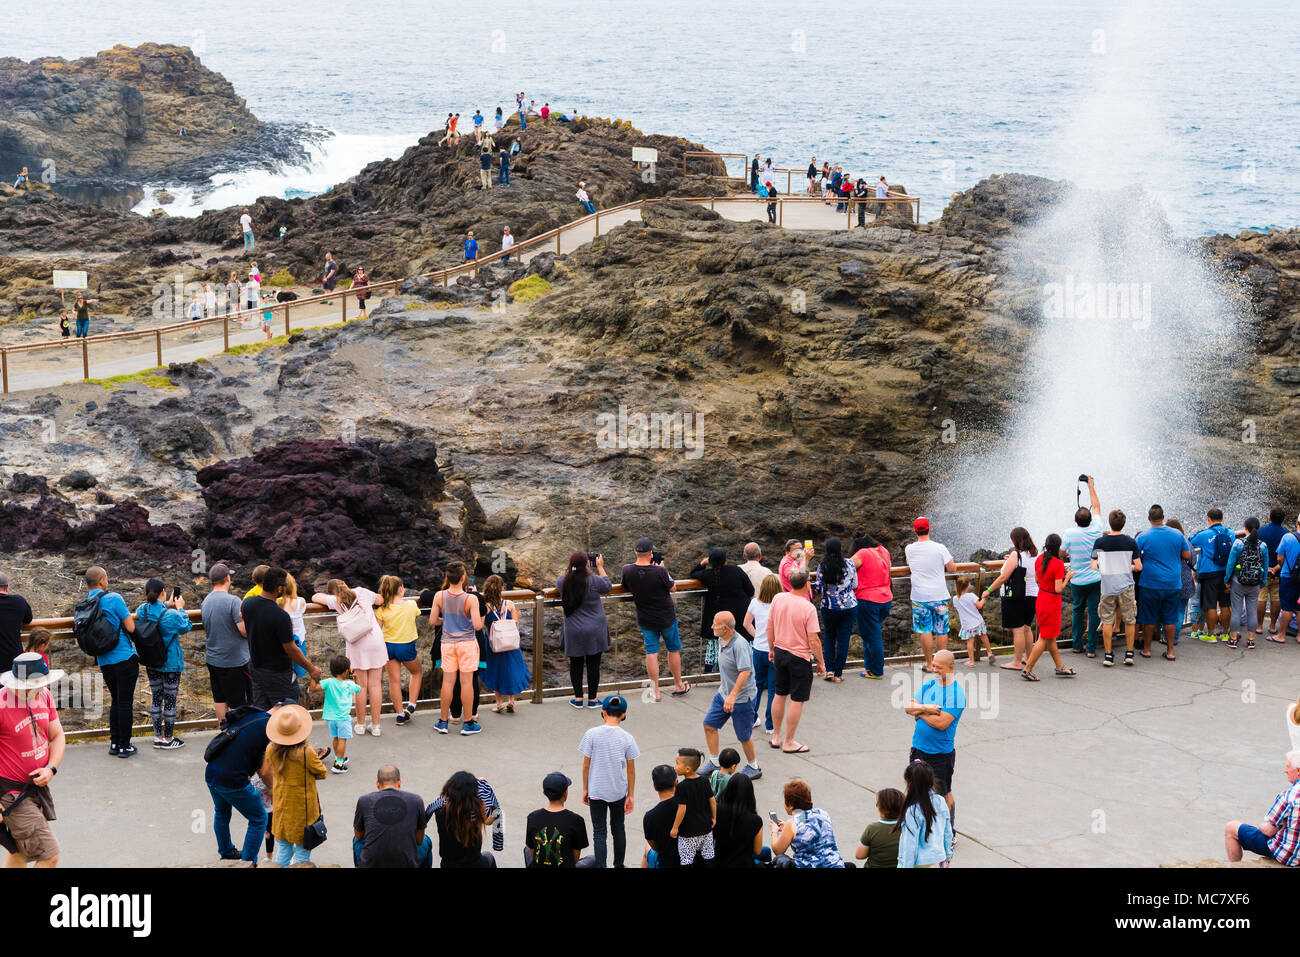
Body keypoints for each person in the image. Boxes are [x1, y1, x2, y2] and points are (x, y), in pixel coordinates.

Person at [0, 653, 65, 868]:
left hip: (35, 787)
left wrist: (51, 768)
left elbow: (57, 736)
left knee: (20, 852)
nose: (40, 688)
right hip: (11, 792)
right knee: (49, 855)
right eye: (34, 684)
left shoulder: (44, 695)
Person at [204, 700, 275, 863]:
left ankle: (226, 851)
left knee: (221, 812)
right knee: (259, 818)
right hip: (233, 780)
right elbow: (264, 770)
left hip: (212, 773)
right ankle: (248, 862)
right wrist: (272, 789)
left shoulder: (253, 715)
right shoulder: (270, 727)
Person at [313, 578, 386, 735]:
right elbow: (380, 599)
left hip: (357, 644)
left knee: (361, 687)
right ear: (345, 584)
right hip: (376, 641)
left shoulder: (335, 601)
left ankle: (360, 724)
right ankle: (376, 726)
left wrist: (331, 596)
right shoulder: (362, 592)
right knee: (375, 685)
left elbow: (315, 598)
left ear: (333, 591)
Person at [621, 537, 687, 700]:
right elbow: (673, 588)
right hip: (666, 616)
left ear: (635, 552)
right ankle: (678, 685)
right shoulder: (660, 571)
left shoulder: (627, 570)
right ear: (651, 553)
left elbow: (625, 586)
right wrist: (664, 569)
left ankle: (655, 690)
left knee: (651, 652)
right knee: (673, 649)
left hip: (645, 616)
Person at [244, 567, 320, 709]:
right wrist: (311, 668)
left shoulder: (248, 604)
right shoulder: (281, 616)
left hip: (256, 667)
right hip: (278, 673)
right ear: (279, 588)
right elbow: (290, 649)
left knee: (263, 712)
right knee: (287, 713)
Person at [84, 566, 139, 758]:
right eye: (106, 578)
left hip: (103, 659)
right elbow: (131, 627)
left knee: (116, 700)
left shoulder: (86, 603)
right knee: (125, 702)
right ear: (101, 581)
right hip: (123, 656)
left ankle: (115, 743)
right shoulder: (114, 598)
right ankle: (125, 746)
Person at [768, 567, 825, 754]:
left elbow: (770, 626)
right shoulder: (808, 607)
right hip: (799, 657)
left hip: (780, 651)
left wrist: (771, 647)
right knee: (797, 699)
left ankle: (776, 736)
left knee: (779, 693)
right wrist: (821, 662)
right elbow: (814, 640)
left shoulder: (778, 598)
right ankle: (789, 741)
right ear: (807, 584)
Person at [699, 612, 762, 780]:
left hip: (741, 699)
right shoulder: (721, 639)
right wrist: (727, 694)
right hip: (723, 693)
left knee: (743, 736)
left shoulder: (739, 645)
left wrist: (733, 696)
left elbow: (745, 672)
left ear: (725, 628)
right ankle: (714, 762)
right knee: (709, 725)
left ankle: (754, 766)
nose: (712, 626)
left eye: (715, 624)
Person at [905, 646, 965, 821]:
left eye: (939, 667)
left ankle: (949, 831)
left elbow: (941, 723)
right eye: (933, 665)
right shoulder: (930, 684)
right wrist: (927, 708)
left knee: (942, 794)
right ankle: (918, 824)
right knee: (914, 788)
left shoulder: (956, 694)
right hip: (918, 749)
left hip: (940, 755)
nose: (934, 670)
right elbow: (908, 706)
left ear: (951, 668)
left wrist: (919, 713)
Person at [264, 704, 328, 866]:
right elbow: (322, 772)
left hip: (282, 807)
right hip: (303, 810)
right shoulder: (306, 752)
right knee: (302, 851)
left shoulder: (271, 749)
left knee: (284, 848)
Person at [579, 694, 638, 868]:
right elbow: (631, 769)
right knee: (618, 829)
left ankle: (601, 866)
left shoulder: (591, 734)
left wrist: (585, 789)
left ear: (603, 712)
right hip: (618, 791)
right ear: (624, 715)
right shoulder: (628, 738)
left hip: (596, 789)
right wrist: (631, 795)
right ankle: (619, 865)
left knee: (599, 832)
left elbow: (585, 765)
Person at [429, 561, 487, 735]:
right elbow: (477, 625)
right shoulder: (471, 599)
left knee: (447, 682)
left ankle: (443, 721)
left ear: (447, 577)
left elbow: (433, 620)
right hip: (467, 644)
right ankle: (468, 723)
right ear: (463, 578)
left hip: (447, 643)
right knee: (467, 682)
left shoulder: (439, 596)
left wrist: (445, 620)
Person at [134, 579, 191, 749]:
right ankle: (168, 738)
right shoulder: (172, 615)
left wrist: (167, 603)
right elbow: (185, 626)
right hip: (171, 663)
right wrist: (179, 607)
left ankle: (157, 736)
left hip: (151, 661)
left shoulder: (142, 610)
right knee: (170, 701)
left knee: (156, 698)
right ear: (163, 592)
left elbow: (153, 609)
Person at [1136, 505, 1193, 659]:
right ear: (1163, 517)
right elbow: (1187, 555)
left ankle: (1147, 650)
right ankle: (1170, 651)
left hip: (1150, 582)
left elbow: (1134, 558)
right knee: (1170, 618)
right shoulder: (1177, 534)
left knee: (1148, 618)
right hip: (1173, 583)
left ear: (1149, 518)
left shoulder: (1142, 536)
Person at [1225, 751, 1300, 866]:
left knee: (1231, 828)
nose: (1285, 771)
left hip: (1288, 855)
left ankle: (1234, 865)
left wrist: (1261, 825)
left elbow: (1269, 831)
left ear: (1298, 771)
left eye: (1288, 767)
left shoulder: (1289, 796)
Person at [557, 551, 612, 708]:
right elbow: (607, 586)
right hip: (595, 628)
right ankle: (593, 700)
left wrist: (572, 570)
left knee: (576, 664)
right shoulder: (594, 580)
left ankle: (578, 699)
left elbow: (568, 579)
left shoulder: (562, 581)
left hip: (574, 629)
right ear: (587, 564)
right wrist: (600, 567)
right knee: (594, 664)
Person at [688, 547, 755, 671]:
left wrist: (702, 563)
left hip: (720, 616)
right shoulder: (736, 571)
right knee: (742, 642)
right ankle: (746, 668)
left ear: (710, 561)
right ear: (725, 560)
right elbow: (750, 590)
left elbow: (693, 573)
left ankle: (720, 670)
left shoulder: (708, 575)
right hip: (740, 615)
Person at [353, 765, 431, 868]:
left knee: (356, 841)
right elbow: (419, 840)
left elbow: (358, 836)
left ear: (377, 784)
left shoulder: (364, 800)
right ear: (399, 783)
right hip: (407, 864)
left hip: (371, 864)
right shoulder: (416, 800)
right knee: (426, 840)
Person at [1091, 509, 1142, 666]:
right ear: (1123, 523)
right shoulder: (1130, 542)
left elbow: (1093, 565)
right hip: (1126, 585)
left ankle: (1108, 655)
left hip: (1107, 586)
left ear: (1110, 523)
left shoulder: (1100, 542)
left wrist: (1106, 567)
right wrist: (1127, 567)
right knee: (1129, 620)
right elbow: (1139, 566)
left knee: (1106, 620)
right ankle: (1129, 654)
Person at [1022, 534, 1077, 679]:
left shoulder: (1040, 558)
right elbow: (1059, 589)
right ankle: (1027, 669)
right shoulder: (1058, 563)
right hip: (1052, 602)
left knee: (1050, 636)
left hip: (1041, 598)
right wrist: (1068, 578)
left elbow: (1036, 580)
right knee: (1044, 638)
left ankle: (1060, 667)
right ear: (1058, 546)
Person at [905, 517, 956, 671]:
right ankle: (942, 665)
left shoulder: (909, 549)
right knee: (941, 630)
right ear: (929, 529)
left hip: (920, 596)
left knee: (925, 630)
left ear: (915, 531)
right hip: (939, 595)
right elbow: (952, 568)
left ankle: (929, 664)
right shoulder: (939, 547)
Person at [982, 528, 1039, 667]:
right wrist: (1010, 560)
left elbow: (1003, 577)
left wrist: (988, 590)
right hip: (1033, 595)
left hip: (1016, 596)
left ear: (1016, 540)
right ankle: (1028, 657)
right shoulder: (1035, 554)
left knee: (1018, 630)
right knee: (1027, 628)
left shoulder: (1016, 555)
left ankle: (1017, 662)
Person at [1061, 476, 1104, 657]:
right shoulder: (1097, 528)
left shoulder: (1070, 533)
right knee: (1094, 612)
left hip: (1077, 579)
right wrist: (1091, 485)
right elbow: (1096, 507)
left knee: (1078, 610)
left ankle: (1077, 644)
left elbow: (1062, 554)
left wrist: (1068, 556)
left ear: (1075, 520)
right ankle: (1092, 648)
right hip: (1096, 578)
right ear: (1090, 520)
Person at [201, 563, 249, 723]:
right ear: (227, 578)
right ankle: (241, 732)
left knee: (219, 697)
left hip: (213, 659)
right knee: (241, 701)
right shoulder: (233, 601)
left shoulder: (206, 601)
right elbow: (244, 631)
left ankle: (225, 731)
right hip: (234, 660)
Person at [376, 575, 422, 724]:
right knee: (416, 672)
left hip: (388, 646)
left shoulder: (382, 609)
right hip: (406, 646)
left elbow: (377, 630)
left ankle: (400, 714)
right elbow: (415, 614)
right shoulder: (410, 605)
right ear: (401, 589)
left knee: (394, 681)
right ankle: (412, 704)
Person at [482, 574, 530, 713]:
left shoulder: (486, 606)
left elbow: (483, 623)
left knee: (495, 671)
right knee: (511, 670)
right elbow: (515, 625)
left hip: (493, 644)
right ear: (502, 588)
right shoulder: (509, 604)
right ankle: (511, 701)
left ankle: (499, 704)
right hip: (510, 643)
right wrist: (518, 617)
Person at [525, 772, 593, 867]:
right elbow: (575, 859)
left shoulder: (532, 817)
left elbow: (533, 854)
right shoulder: (576, 820)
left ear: (544, 793)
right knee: (593, 860)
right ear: (565, 793)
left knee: (527, 848)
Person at [771, 779, 843, 868]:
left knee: (779, 860)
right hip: (835, 864)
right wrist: (787, 829)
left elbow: (778, 850)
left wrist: (774, 831)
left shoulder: (792, 823)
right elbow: (811, 831)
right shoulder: (823, 813)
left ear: (791, 805)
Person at [813, 537, 858, 680]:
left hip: (829, 606)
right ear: (840, 549)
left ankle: (829, 670)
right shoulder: (850, 564)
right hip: (849, 606)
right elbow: (855, 584)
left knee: (829, 637)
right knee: (844, 639)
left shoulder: (823, 565)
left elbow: (819, 588)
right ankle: (838, 674)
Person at [850, 532, 893, 679]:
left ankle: (876, 671)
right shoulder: (884, 550)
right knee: (869, 634)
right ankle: (869, 666)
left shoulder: (863, 553)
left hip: (867, 600)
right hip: (886, 599)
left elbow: (846, 567)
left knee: (873, 636)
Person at [896, 760, 954, 868]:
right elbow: (947, 832)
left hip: (915, 863)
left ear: (908, 783)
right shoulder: (941, 801)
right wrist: (947, 856)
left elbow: (910, 844)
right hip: (936, 860)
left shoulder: (912, 811)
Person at [1188, 508, 1234, 642]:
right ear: (1223, 518)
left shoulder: (1204, 534)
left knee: (1210, 605)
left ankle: (1211, 634)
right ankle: (1225, 634)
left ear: (1208, 518)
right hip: (1226, 572)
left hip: (1209, 573)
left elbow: (1190, 541)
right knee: (1225, 604)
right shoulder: (1230, 532)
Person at [743, 574, 780, 734]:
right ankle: (770, 725)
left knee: (756, 685)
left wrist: (757, 635)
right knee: (773, 689)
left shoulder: (754, 603)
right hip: (776, 650)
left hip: (758, 649)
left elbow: (746, 623)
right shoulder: (780, 605)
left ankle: (752, 718)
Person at [1226, 517, 1268, 650]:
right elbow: (1265, 567)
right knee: (1252, 612)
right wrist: (1262, 582)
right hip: (1255, 583)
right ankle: (1250, 640)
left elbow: (1230, 564)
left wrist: (1226, 580)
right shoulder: (1263, 546)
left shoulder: (1238, 543)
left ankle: (1233, 640)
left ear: (1244, 528)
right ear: (1259, 529)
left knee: (1236, 611)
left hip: (1238, 581)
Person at [670, 747, 716, 866]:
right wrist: (714, 818)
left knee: (686, 859)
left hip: (688, 833)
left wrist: (675, 827)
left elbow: (682, 809)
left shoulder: (682, 787)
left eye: (677, 763)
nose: (675, 766)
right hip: (706, 829)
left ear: (688, 769)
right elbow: (712, 801)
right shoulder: (705, 780)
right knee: (708, 856)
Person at [711, 773, 766, 867]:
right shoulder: (756, 820)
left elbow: (710, 838)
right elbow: (757, 850)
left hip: (720, 862)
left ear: (728, 789)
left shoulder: (717, 810)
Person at [320, 655, 360, 773]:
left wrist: (314, 677)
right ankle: (338, 764)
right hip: (342, 718)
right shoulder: (349, 684)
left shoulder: (329, 682)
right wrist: (355, 678)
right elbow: (358, 689)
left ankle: (339, 758)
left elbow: (313, 687)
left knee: (335, 738)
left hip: (330, 718)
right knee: (343, 740)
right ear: (347, 671)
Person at [1257, 507, 1288, 640]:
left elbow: (1256, 550)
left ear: (1269, 518)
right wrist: (1276, 567)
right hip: (1279, 571)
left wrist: (1267, 567)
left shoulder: (1261, 531)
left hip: (1263, 571)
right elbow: (1285, 555)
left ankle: (1258, 626)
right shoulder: (1287, 534)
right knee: (1276, 598)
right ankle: (1273, 626)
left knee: (1261, 598)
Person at [641, 763, 679, 868]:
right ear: (676, 782)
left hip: (666, 862)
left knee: (647, 848)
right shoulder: (688, 804)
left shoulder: (650, 817)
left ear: (655, 787)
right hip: (693, 860)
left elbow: (654, 846)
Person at [855, 787, 904, 868]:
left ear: (882, 808)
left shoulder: (872, 829)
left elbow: (859, 855)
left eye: (877, 804)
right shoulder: (908, 828)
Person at [277, 573, 309, 688]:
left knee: (285, 674)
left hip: (284, 643)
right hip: (299, 642)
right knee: (298, 674)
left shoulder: (278, 603)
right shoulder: (301, 601)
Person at [953, 576, 992, 666]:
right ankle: (989, 653)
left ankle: (971, 661)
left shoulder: (955, 599)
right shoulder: (971, 596)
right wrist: (984, 598)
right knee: (984, 636)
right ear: (968, 585)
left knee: (970, 642)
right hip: (978, 621)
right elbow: (979, 606)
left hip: (967, 624)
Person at [0, 571, 33, 675]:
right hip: (17, 659)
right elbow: (28, 619)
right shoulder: (19, 601)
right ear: (7, 587)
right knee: (20, 689)